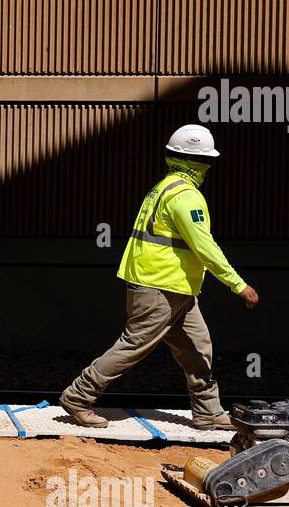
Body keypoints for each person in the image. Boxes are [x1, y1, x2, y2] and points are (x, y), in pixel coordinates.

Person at [60, 124, 259, 429]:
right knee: (133, 346)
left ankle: (207, 411)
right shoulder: (185, 196)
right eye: (206, 159)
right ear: (198, 161)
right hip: (159, 287)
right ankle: (79, 396)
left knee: (197, 347)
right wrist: (238, 284)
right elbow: (204, 245)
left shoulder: (164, 188)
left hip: (174, 288)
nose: (208, 165)